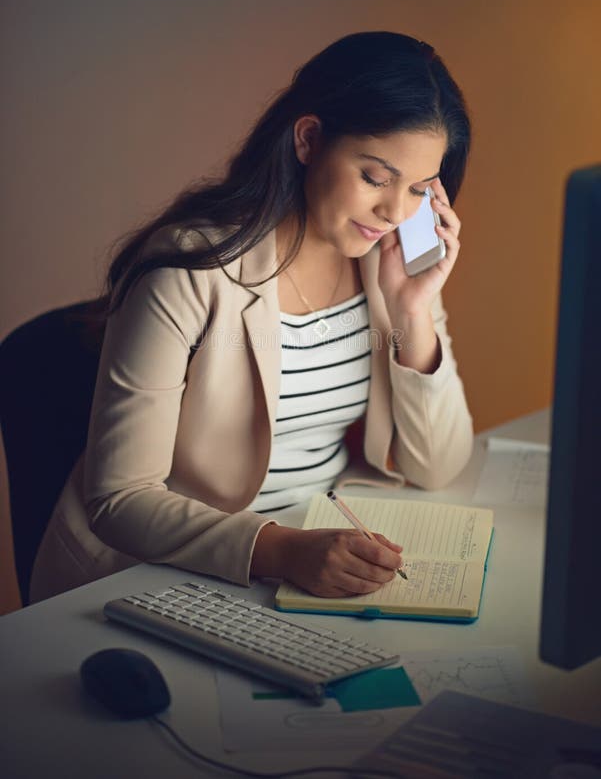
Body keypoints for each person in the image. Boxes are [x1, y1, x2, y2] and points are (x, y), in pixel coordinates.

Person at [29, 31, 473, 604]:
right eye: (374, 177)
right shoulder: (189, 269)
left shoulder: (393, 265)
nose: (393, 212)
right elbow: (121, 499)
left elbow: (437, 467)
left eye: (417, 190)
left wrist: (412, 309)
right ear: (309, 140)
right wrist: (284, 550)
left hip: (315, 555)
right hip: (163, 572)